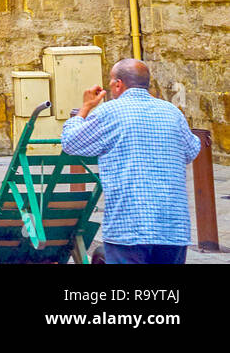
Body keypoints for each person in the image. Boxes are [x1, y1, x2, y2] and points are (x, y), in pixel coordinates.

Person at [61, 58, 204, 264]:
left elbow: (71, 142)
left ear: (118, 84)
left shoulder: (109, 112)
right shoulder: (173, 113)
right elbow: (192, 150)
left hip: (129, 226)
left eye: (111, 82)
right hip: (173, 226)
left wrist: (85, 107)